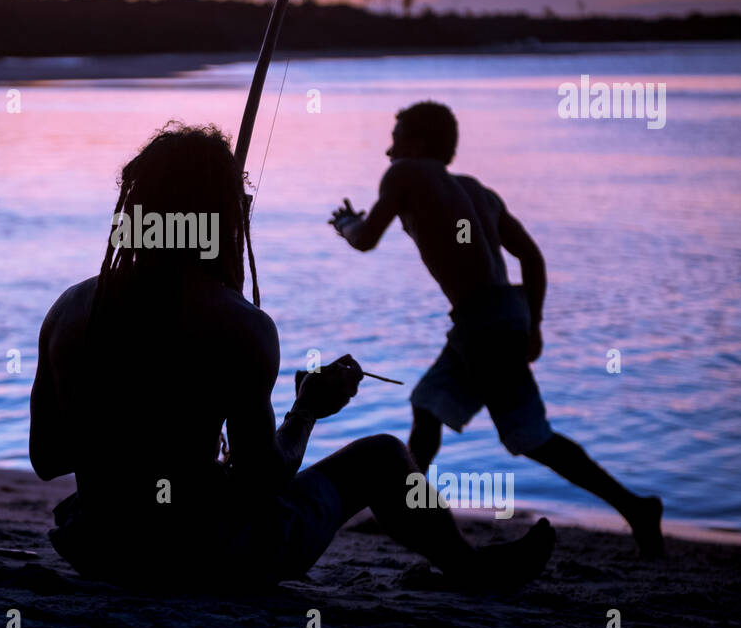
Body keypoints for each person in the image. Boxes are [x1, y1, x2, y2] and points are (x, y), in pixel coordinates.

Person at [30, 122, 555, 589]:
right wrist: (307, 410)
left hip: (99, 551)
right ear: (222, 215)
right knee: (384, 456)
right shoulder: (241, 326)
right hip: (208, 556)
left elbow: (47, 458)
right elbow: (263, 481)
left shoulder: (69, 310)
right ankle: (470, 568)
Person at [328, 101, 663, 557]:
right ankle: (409, 510)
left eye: (398, 136)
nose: (389, 148)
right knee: (427, 406)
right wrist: (535, 325)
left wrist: (347, 224)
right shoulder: (477, 191)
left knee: (530, 436)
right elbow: (532, 258)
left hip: (485, 322)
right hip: (496, 316)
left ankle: (636, 508)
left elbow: (366, 240)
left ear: (420, 143)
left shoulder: (404, 174)